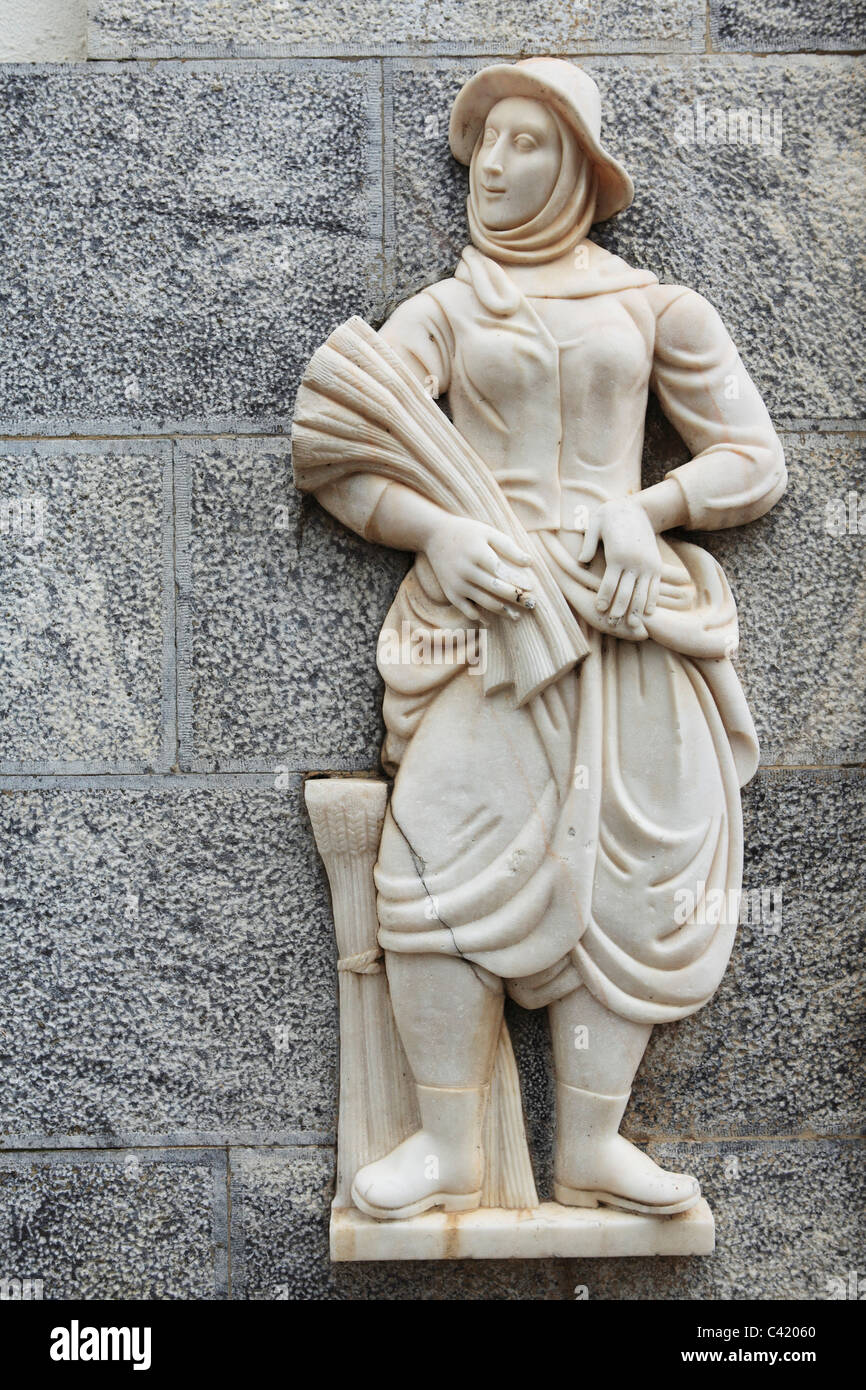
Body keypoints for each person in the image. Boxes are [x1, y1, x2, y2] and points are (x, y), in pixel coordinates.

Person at [300, 58, 787, 1219]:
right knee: (434, 854)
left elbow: (750, 459)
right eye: (482, 148)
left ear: (572, 163)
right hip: (488, 621)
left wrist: (646, 509)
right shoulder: (448, 309)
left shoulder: (652, 306)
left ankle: (589, 1144)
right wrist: (438, 535)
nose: (493, 169)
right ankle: (449, 1145)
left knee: (631, 873)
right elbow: (335, 446)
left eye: (522, 143)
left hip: (625, 619)